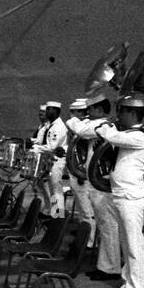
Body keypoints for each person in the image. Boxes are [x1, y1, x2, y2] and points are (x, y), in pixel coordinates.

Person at [93, 95, 144, 288]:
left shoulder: (139, 136)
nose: (119, 115)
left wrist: (105, 126)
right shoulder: (129, 135)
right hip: (121, 195)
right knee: (126, 244)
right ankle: (128, 284)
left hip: (131, 197)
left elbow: (110, 136)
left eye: (122, 112)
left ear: (133, 113)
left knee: (134, 245)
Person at [68, 94, 121, 283]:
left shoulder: (103, 126)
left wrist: (73, 117)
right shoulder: (98, 125)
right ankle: (105, 266)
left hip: (102, 184)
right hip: (95, 181)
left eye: (90, 110)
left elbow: (80, 130)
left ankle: (111, 268)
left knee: (108, 226)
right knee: (104, 225)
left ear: (99, 110)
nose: (87, 113)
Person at [32, 101, 68, 218]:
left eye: (49, 109)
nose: (46, 112)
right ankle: (53, 213)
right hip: (51, 160)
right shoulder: (52, 125)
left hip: (57, 161)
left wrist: (36, 148)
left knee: (56, 188)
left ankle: (58, 216)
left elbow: (51, 147)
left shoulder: (57, 127)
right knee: (52, 189)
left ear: (55, 111)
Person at [64, 98, 95, 232]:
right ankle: (54, 215)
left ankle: (56, 215)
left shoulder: (85, 127)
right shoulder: (46, 127)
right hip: (70, 167)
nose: (71, 114)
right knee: (56, 193)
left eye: (73, 112)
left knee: (85, 208)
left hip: (79, 170)